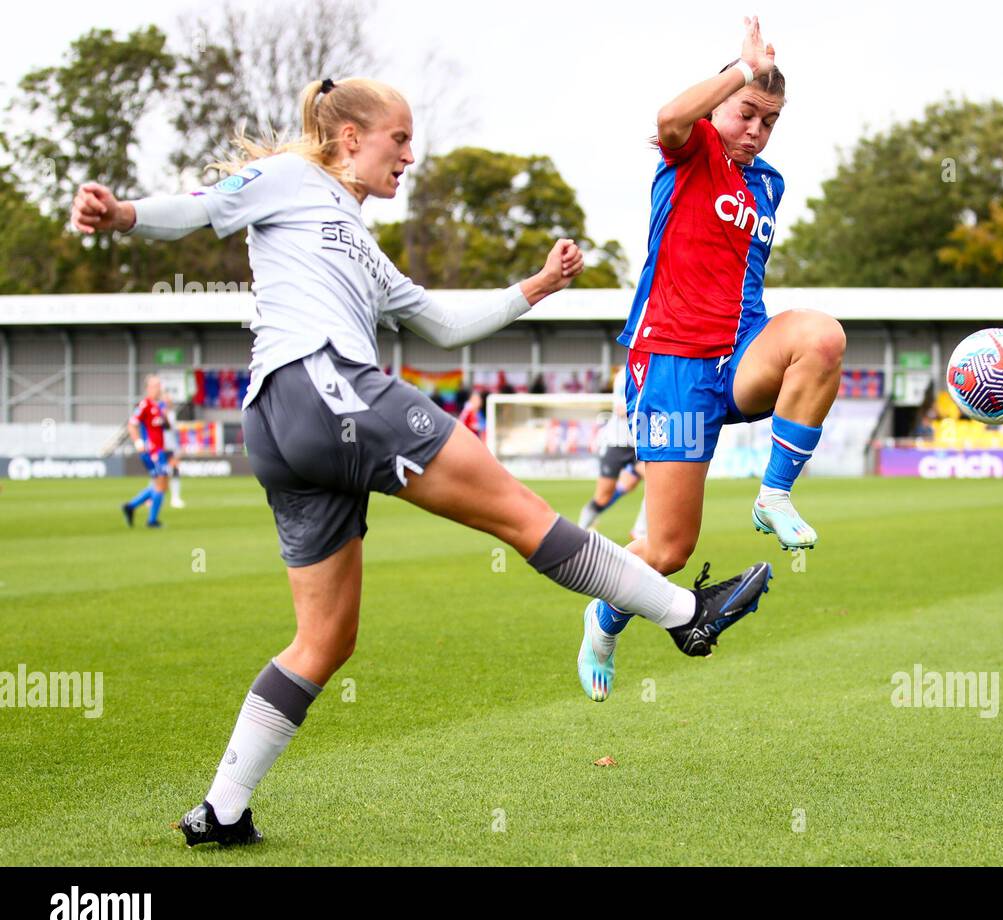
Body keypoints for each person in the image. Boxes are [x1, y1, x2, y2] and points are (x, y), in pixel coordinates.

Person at [71, 75, 773, 848]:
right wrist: (125, 216)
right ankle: (686, 616)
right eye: (399, 140)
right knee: (520, 510)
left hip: (285, 431)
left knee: (326, 641)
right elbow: (198, 209)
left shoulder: (359, 245)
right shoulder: (289, 176)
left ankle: (223, 810)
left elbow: (439, 322)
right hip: (319, 385)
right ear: (350, 138)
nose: (410, 155)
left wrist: (533, 288)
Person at [575, 18, 844, 703]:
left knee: (822, 336)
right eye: (746, 113)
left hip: (742, 349)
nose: (755, 129)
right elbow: (669, 116)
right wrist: (739, 71)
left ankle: (775, 495)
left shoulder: (770, 185)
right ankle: (602, 622)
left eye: (769, 120)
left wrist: (752, 90)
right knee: (667, 551)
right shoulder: (691, 149)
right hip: (674, 364)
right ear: (721, 106)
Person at [579, 365, 644, 530]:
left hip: (639, 444)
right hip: (617, 443)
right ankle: (581, 529)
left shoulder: (654, 369)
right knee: (603, 497)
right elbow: (621, 409)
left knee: (657, 482)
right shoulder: (625, 374)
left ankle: (641, 531)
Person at [122, 374, 171, 528]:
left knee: (162, 484)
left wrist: (166, 411)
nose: (159, 389)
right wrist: (138, 442)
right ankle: (152, 520)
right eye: (156, 385)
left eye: (159, 385)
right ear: (148, 388)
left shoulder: (158, 406)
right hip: (152, 451)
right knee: (161, 484)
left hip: (159, 450)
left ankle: (131, 506)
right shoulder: (145, 404)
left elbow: (167, 426)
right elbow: (132, 424)